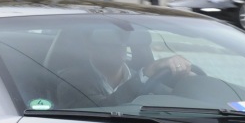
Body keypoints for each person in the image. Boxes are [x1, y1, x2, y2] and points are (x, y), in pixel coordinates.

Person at [57, 26, 193, 106]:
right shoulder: (70, 81)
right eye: (107, 40)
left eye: (122, 41)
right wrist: (149, 71)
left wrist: (185, 80)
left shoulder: (139, 77)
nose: (117, 46)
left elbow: (174, 99)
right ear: (89, 46)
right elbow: (105, 108)